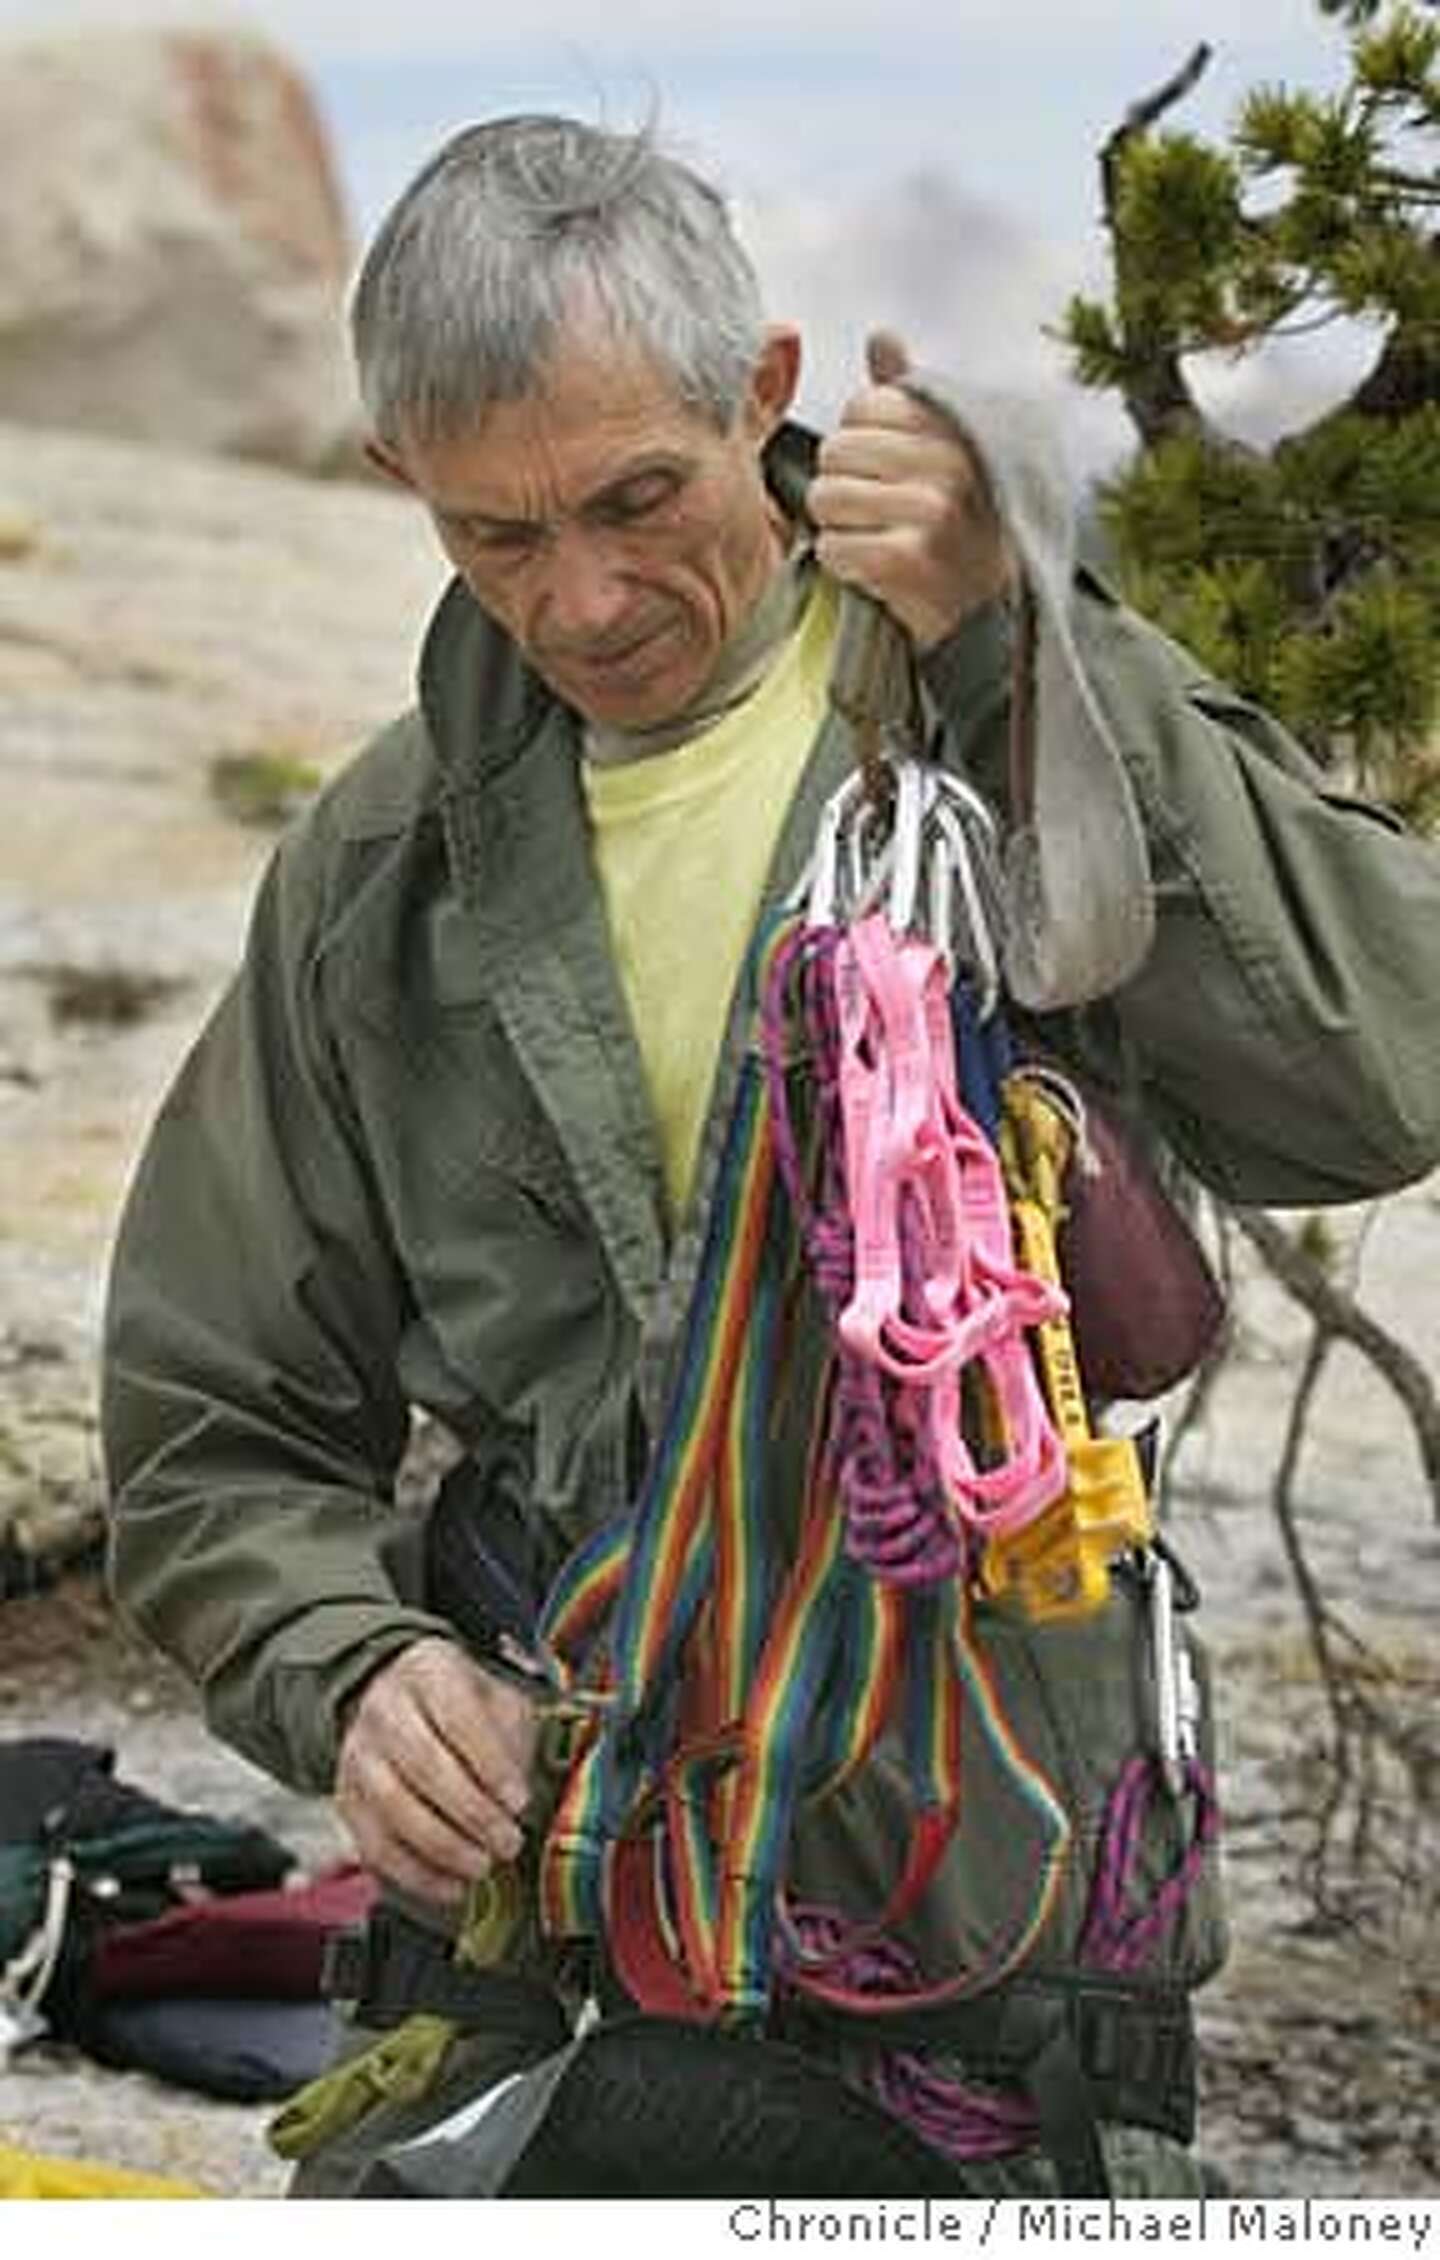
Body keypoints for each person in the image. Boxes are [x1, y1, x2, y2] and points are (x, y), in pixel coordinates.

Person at [103, 115, 1440, 2198]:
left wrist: (1025, 647)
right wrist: (348, 1665)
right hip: (553, 1934)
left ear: (762, 388)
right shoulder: (380, 875)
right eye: (496, 536)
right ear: (400, 486)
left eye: (639, 498)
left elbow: (1389, 1063)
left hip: (991, 1940)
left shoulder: (1008, 696)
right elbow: (213, 1410)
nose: (589, 597)